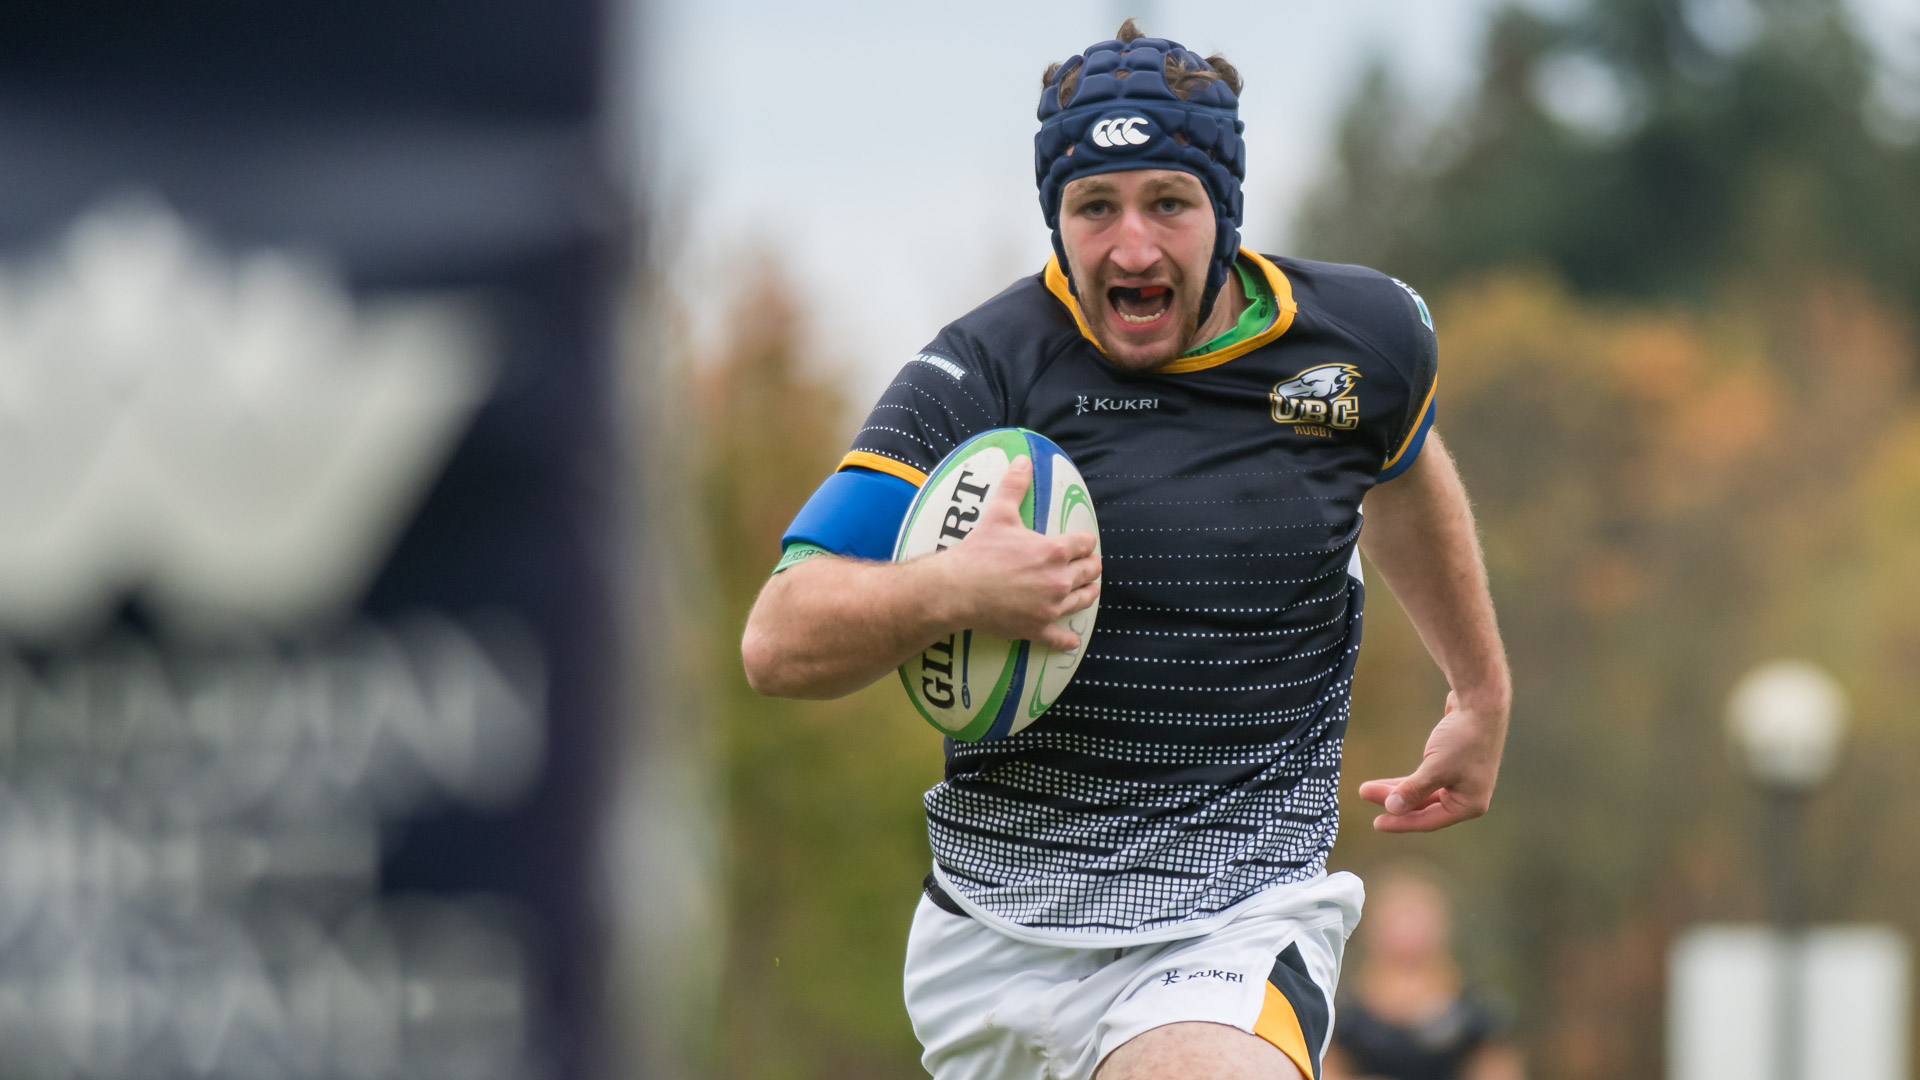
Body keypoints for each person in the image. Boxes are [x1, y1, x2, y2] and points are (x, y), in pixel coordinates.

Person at [741, 19, 1511, 1080]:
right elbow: (778, 641)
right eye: (1095, 207)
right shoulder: (981, 373)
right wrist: (953, 589)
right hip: (994, 939)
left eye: (1169, 203)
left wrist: (1477, 691)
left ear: (1224, 210)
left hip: (1236, 923)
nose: (1133, 247)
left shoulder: (1362, 342)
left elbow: (1404, 463)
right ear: (1055, 216)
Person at [1324, 866, 1524, 1080]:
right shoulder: (1340, 1012)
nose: (1408, 930)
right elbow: (1323, 1070)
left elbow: (1500, 1069)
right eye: (1397, 917)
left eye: (1417, 916)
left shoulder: (1479, 1011)